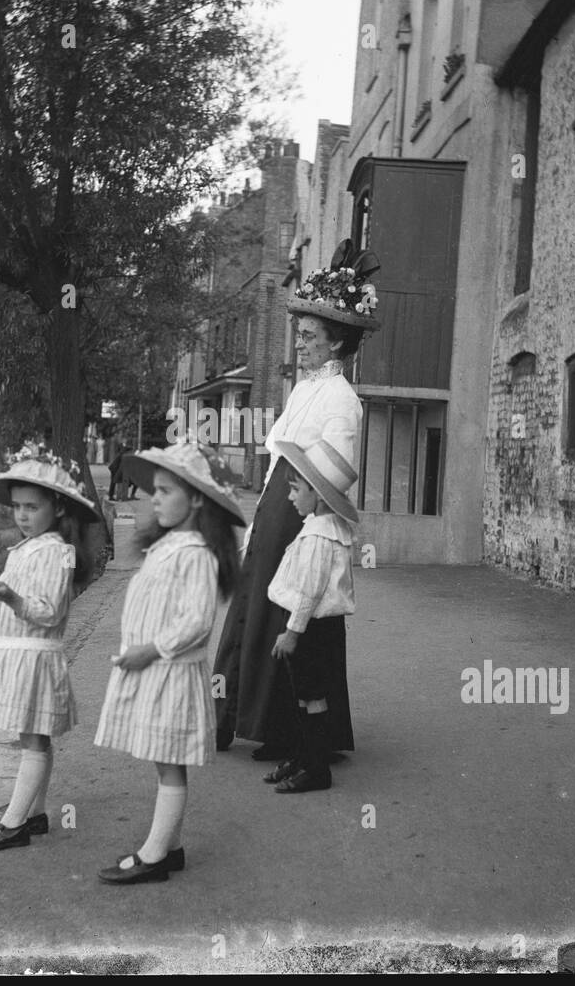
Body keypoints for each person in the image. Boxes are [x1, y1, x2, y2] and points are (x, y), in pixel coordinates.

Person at [214, 239, 380, 760]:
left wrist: (304, 530)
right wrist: (261, 519)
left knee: (286, 613)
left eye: (310, 336)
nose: (300, 343)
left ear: (336, 344)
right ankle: (261, 722)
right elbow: (279, 460)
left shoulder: (342, 400)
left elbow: (333, 478)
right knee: (255, 609)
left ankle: (289, 729)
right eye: (300, 333)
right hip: (276, 509)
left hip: (299, 518)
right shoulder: (304, 389)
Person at [94, 438, 244, 885]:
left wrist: (152, 649)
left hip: (171, 672)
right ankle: (169, 847)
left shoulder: (195, 553)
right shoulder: (167, 546)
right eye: (153, 490)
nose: (152, 498)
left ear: (196, 498)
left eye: (164, 491)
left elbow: (196, 621)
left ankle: (156, 854)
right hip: (157, 669)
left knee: (168, 761)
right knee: (163, 758)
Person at [0, 451, 102, 855]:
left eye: (32, 507)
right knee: (33, 737)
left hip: (34, 659)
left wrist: (13, 597)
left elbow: (48, 610)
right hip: (20, 655)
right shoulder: (27, 548)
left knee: (34, 741)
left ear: (57, 507)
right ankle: (35, 813)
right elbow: (19, 604)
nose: (21, 515)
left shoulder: (57, 552)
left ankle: (13, 823)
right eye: (17, 506)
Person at [265, 439, 359, 793]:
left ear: (317, 495)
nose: (290, 497)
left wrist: (292, 633)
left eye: (294, 489)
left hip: (312, 627)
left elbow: (310, 592)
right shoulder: (321, 526)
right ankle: (305, 756)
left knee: (312, 696)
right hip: (318, 626)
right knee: (305, 694)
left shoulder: (320, 536)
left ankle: (317, 769)